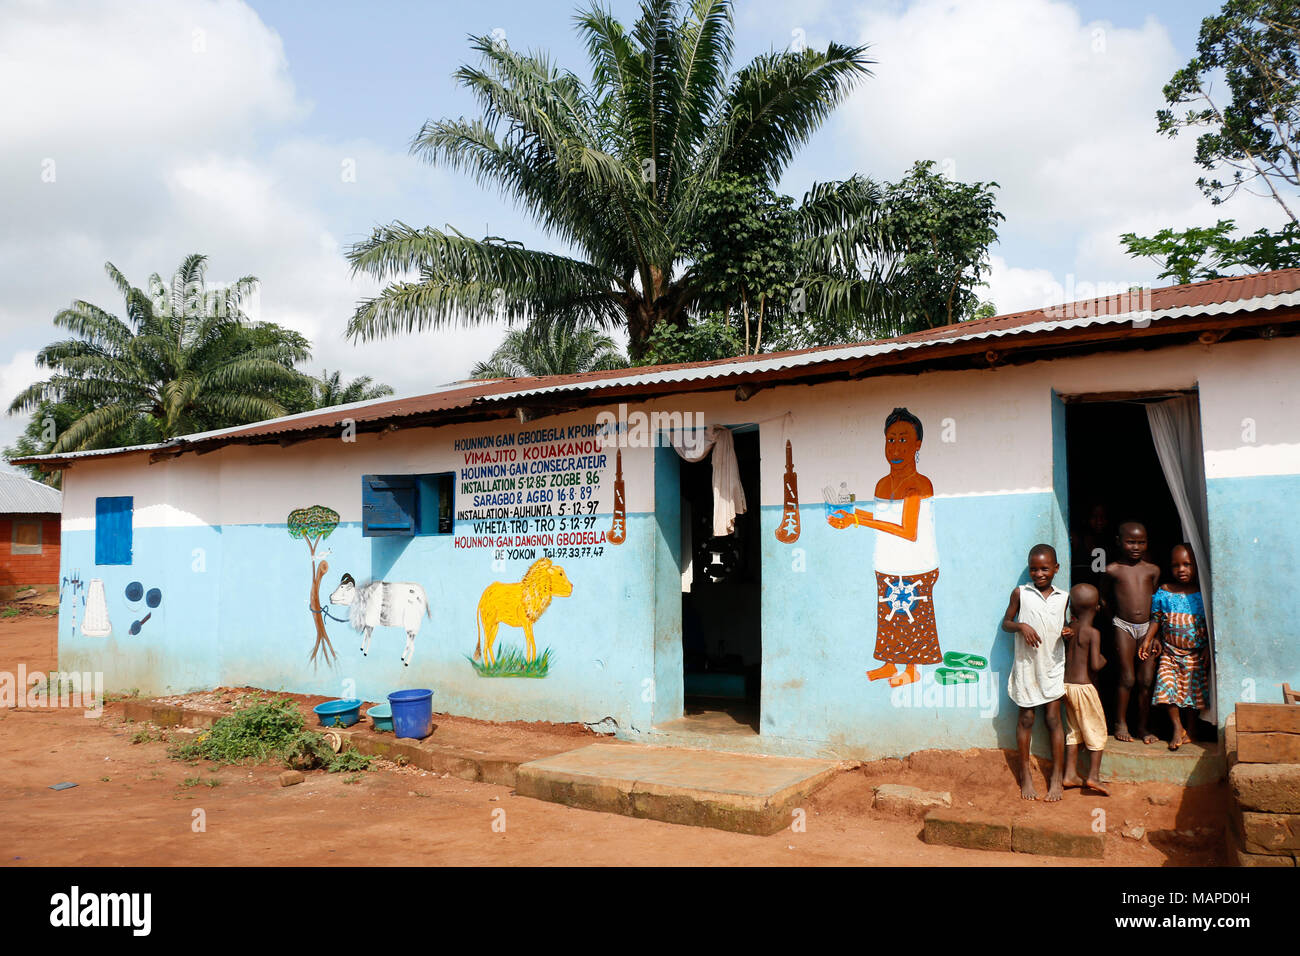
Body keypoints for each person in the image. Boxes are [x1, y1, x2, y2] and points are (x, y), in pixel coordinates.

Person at [828, 407, 940, 689]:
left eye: (904, 439)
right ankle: (890, 663)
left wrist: (858, 521)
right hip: (888, 563)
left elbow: (907, 531)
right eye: (890, 439)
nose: (895, 447)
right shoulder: (882, 484)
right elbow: (882, 519)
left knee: (912, 615)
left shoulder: (919, 485)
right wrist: (851, 516)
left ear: (918, 445)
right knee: (889, 616)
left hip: (917, 565)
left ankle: (912, 668)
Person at [1001, 544, 1071, 802]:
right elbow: (1005, 623)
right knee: (1026, 719)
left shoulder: (1063, 597)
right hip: (1027, 666)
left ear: (1056, 569)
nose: (1039, 573)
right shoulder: (1021, 593)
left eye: (1044, 568)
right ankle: (1025, 776)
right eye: (1033, 569)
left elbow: (1066, 624)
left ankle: (1055, 777)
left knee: (1054, 720)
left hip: (1052, 665)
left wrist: (1069, 631)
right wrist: (1021, 626)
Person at [1139, 544, 1210, 751]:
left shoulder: (1202, 592)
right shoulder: (1165, 591)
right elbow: (1157, 618)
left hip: (1195, 653)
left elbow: (1211, 624)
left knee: (1191, 693)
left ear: (1196, 566)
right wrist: (1148, 639)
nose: (1181, 569)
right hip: (1169, 651)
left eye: (1187, 565)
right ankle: (1177, 728)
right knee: (1167, 687)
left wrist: (1207, 648)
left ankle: (1192, 730)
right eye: (1176, 565)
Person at [1103, 522, 1161, 743]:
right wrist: (1114, 622)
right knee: (1127, 677)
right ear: (1119, 542)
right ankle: (1120, 722)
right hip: (1123, 626)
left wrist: (1156, 635)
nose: (1136, 547)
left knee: (1146, 680)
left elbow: (1156, 603)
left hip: (1148, 628)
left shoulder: (1152, 570)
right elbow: (1103, 599)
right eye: (1130, 542)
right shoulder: (1112, 570)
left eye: (1141, 542)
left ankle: (1143, 727)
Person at [1061, 583, 1109, 795]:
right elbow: (1095, 664)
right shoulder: (1092, 633)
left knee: (1074, 731)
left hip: (1066, 687)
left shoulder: (1071, 631)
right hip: (1084, 688)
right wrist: (1107, 659)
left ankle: (1069, 775)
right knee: (1097, 730)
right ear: (1097, 608)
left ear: (1072, 609)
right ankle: (1093, 776)